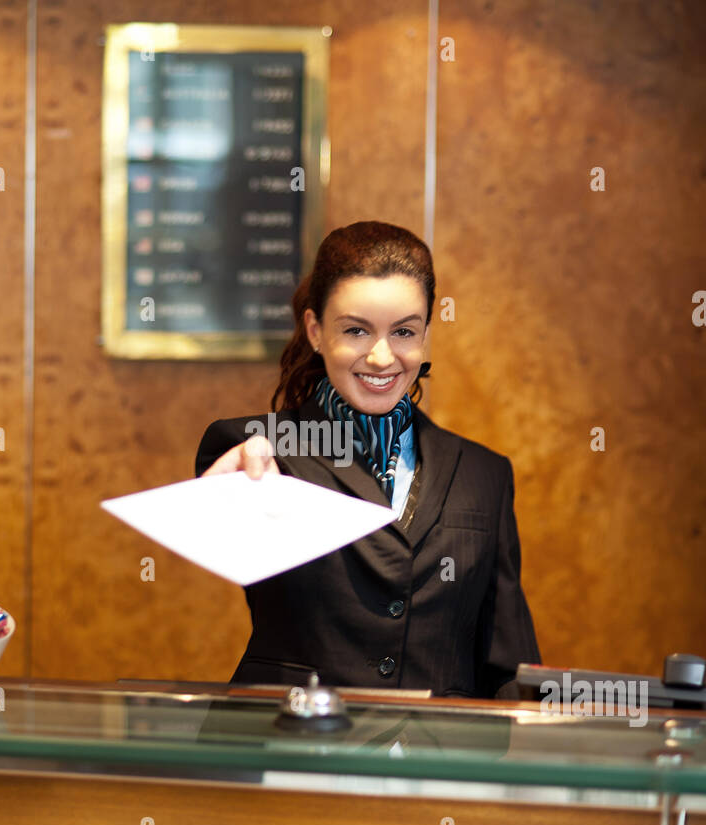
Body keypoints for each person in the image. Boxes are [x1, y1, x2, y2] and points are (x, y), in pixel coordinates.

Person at [194, 221, 540, 698]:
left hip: (435, 761)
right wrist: (233, 492)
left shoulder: (485, 475)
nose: (381, 357)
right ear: (315, 331)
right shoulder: (260, 449)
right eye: (356, 330)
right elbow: (227, 537)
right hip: (292, 749)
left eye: (403, 332)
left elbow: (507, 661)